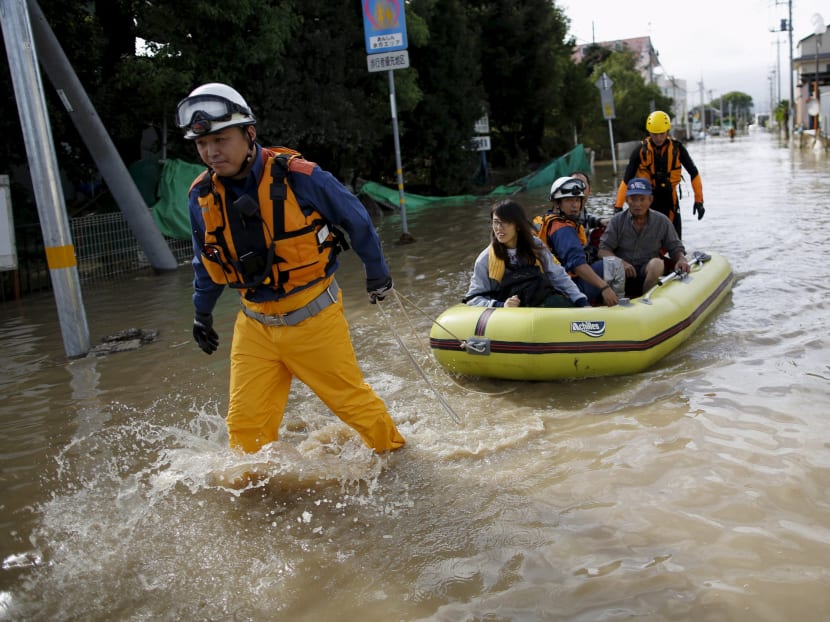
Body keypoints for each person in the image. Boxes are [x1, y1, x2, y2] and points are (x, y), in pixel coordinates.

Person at [178, 82, 405, 457]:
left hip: (313, 318)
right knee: (244, 428)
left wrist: (377, 276)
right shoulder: (201, 196)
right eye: (202, 145)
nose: (211, 152)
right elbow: (205, 260)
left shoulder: (301, 176)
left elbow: (357, 220)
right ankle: (263, 501)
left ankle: (403, 464)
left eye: (221, 140)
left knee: (355, 408)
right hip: (254, 326)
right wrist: (202, 315)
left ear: (249, 134)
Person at [464, 199, 588, 308]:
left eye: (505, 222)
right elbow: (473, 298)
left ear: (518, 225)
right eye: (496, 222)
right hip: (508, 310)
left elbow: (558, 275)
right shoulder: (485, 259)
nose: (499, 228)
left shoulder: (536, 245)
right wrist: (500, 305)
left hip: (538, 299)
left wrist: (580, 300)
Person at [613, 110, 705, 238]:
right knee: (650, 238)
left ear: (667, 131)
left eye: (661, 134)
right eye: (654, 134)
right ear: (649, 132)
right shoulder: (639, 151)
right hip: (648, 200)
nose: (658, 138)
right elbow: (626, 180)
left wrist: (699, 201)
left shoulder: (678, 149)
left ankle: (677, 255)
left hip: (670, 199)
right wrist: (618, 206)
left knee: (675, 238)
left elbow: (693, 173)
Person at [600, 177, 689, 297]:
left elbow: (675, 248)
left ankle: (647, 297)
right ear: (627, 200)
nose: (638, 204)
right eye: (633, 199)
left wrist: (681, 259)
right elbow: (603, 250)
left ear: (650, 200)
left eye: (642, 199)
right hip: (621, 273)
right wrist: (622, 263)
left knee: (657, 263)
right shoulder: (617, 221)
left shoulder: (662, 221)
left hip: (647, 271)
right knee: (612, 263)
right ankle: (614, 301)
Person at [538, 177, 620, 306]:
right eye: (569, 200)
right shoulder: (563, 228)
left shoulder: (549, 220)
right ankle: (617, 304)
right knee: (614, 264)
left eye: (577, 200)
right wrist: (604, 287)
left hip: (551, 284)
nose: (575, 205)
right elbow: (577, 265)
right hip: (569, 289)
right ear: (556, 203)